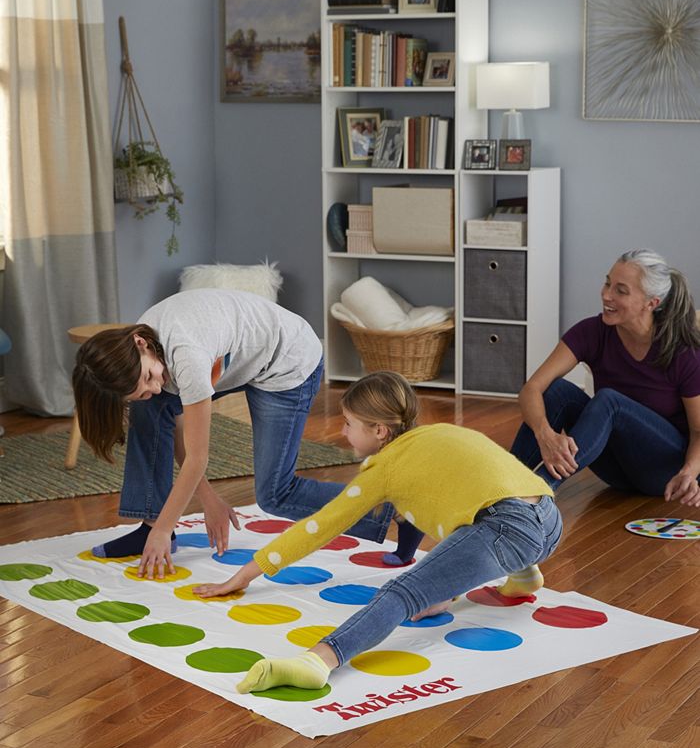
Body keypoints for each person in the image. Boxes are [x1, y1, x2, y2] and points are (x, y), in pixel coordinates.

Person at [194, 371, 562, 694]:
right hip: (548, 518)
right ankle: (524, 573)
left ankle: (318, 661)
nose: (343, 431)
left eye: (348, 423)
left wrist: (244, 575)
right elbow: (474, 496)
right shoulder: (441, 432)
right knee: (469, 529)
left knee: (402, 593)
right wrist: (444, 588)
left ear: (380, 431)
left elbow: (318, 527)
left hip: (508, 532)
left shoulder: (384, 469)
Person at [72, 289, 419, 579]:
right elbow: (178, 431)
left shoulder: (184, 357)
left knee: (276, 493)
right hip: (242, 359)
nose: (154, 386)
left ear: (140, 343)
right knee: (153, 410)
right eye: (140, 390)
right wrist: (207, 502)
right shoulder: (147, 350)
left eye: (149, 377)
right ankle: (151, 525)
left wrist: (172, 524)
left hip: (288, 362)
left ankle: (394, 511)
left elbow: (197, 456)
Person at [511, 249, 700, 507]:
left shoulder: (682, 352)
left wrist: (688, 473)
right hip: (617, 471)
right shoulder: (592, 331)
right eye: (607, 283)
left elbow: (699, 430)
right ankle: (506, 484)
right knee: (556, 391)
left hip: (664, 473)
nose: (606, 294)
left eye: (621, 290)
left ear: (651, 303)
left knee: (610, 401)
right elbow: (531, 389)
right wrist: (547, 436)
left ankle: (533, 494)